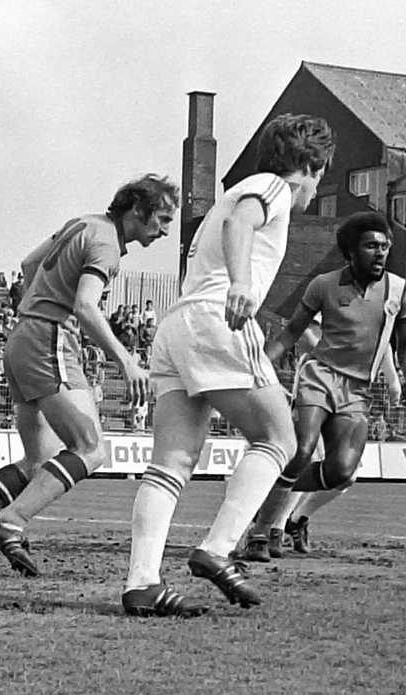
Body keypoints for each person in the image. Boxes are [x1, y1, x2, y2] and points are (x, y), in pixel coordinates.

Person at [121, 113, 335, 617]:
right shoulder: (273, 187)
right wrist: (241, 283)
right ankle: (217, 550)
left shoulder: (234, 193)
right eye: (321, 175)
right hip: (215, 318)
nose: (314, 190)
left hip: (177, 325)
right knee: (280, 440)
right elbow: (244, 225)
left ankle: (141, 583)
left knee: (171, 463)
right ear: (310, 164)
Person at [0, 174, 179, 574]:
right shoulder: (106, 244)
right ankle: (9, 522)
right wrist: (125, 360)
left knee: (40, 461)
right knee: (91, 448)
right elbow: (85, 305)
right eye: (163, 219)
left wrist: (37, 306)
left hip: (24, 335)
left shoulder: (83, 224)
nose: (166, 231)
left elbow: (29, 263)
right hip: (47, 338)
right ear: (138, 210)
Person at [241, 211, 406, 562]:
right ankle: (260, 532)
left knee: (341, 472)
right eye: (371, 246)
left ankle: (263, 498)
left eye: (384, 246)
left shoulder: (401, 291)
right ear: (350, 251)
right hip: (319, 376)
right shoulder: (323, 284)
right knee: (302, 450)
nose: (380, 252)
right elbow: (292, 332)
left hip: (357, 391)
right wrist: (259, 368)